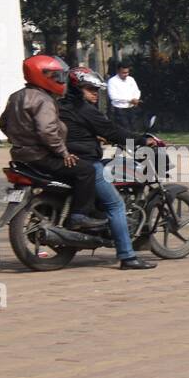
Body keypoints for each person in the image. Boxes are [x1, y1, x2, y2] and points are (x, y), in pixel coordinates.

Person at [58, 66, 157, 270]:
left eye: (96, 90)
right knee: (116, 205)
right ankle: (128, 257)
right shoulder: (85, 110)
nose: (94, 94)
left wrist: (95, 136)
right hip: (86, 161)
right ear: (77, 89)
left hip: (67, 159)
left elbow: (79, 130)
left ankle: (98, 220)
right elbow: (112, 131)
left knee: (110, 171)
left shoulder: (61, 107)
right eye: (89, 89)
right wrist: (141, 140)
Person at [0, 54, 104, 229]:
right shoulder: (43, 99)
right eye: (54, 76)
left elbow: (4, 124)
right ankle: (79, 216)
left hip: (21, 156)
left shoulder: (16, 96)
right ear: (41, 75)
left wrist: (21, 138)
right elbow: (47, 130)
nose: (59, 80)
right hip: (42, 156)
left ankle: (62, 207)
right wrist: (63, 152)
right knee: (86, 171)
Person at [106, 62, 140, 136]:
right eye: (123, 73)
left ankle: (135, 145)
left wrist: (136, 99)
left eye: (127, 72)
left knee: (134, 128)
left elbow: (137, 91)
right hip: (119, 109)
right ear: (118, 71)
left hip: (131, 108)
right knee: (125, 129)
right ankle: (129, 146)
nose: (126, 74)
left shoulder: (131, 79)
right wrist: (130, 100)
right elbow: (113, 97)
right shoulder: (112, 81)